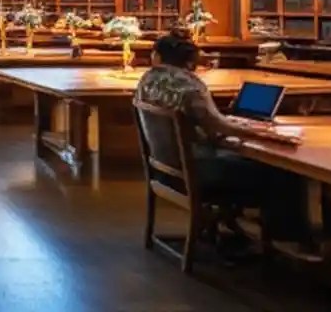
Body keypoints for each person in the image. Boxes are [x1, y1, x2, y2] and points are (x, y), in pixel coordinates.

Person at [134, 33, 314, 246]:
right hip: (197, 171)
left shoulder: (147, 80)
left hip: (165, 169)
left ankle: (249, 229)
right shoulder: (190, 87)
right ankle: (289, 240)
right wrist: (260, 132)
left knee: (254, 163)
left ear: (157, 56)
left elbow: (204, 122)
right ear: (191, 61)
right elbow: (216, 128)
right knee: (283, 172)